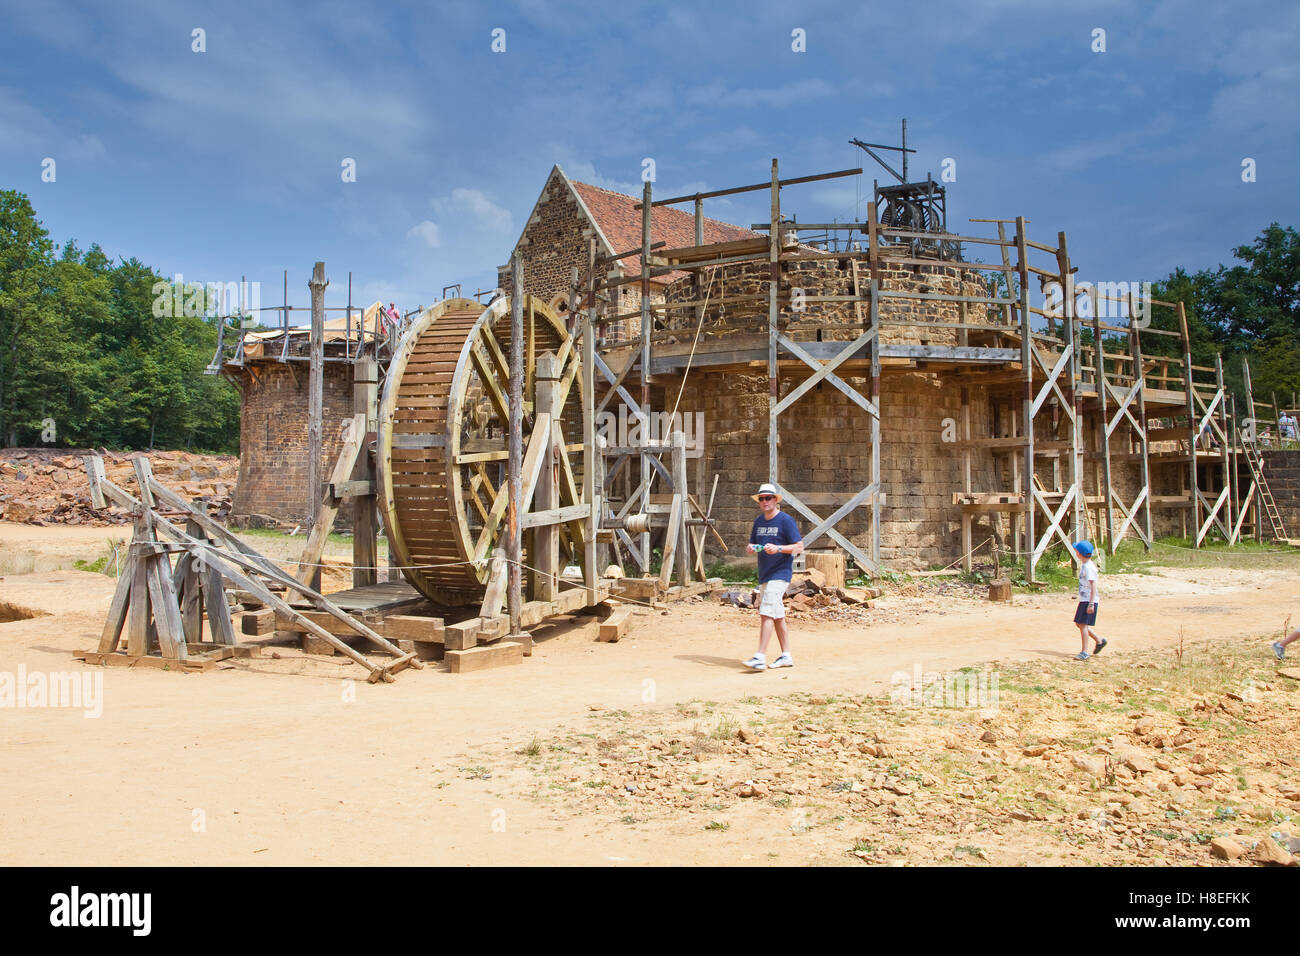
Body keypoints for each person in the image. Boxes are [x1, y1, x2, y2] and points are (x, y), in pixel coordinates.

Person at [742, 483, 803, 671]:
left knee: (766, 611)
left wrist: (778, 548)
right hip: (765, 574)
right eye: (761, 499)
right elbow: (752, 544)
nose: (764, 501)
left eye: (768, 498)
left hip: (780, 573)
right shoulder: (759, 522)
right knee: (777, 615)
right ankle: (786, 655)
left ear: (775, 500)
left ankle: (760, 655)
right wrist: (751, 548)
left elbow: (799, 547)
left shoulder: (786, 521)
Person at [1071, 540, 1108, 661]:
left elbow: (1093, 585)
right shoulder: (1086, 565)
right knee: (1079, 623)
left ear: (1079, 554)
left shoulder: (1089, 567)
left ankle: (1084, 652)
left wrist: (1091, 603)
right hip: (1085, 599)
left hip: (1089, 600)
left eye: (1076, 551)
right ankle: (1099, 640)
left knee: (1083, 625)